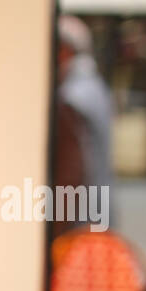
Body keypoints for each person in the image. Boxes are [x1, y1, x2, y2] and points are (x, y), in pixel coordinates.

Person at [52, 15, 115, 237]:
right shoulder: (94, 87)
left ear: (65, 50)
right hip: (96, 210)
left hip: (81, 220)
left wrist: (58, 225)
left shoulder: (73, 96)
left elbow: (72, 170)